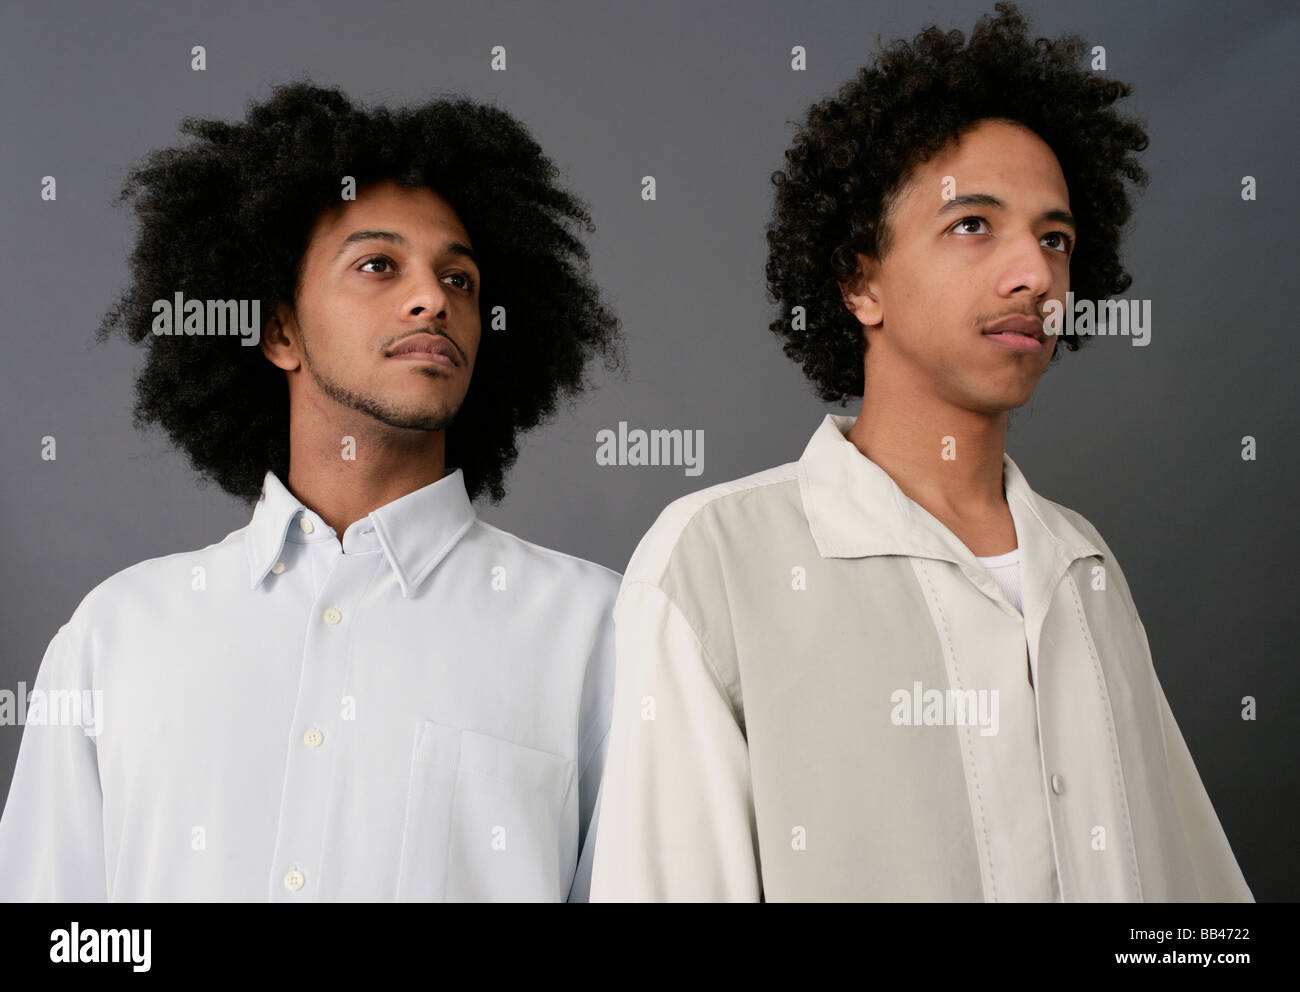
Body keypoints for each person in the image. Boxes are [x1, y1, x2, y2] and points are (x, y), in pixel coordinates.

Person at [590, 3, 1252, 901]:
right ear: (861, 280)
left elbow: (1190, 907)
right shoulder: (714, 561)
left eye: (1055, 238)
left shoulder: (1087, 567)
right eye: (973, 224)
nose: (1035, 274)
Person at [0, 82, 623, 902]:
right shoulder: (113, 638)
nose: (434, 297)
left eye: (461, 280)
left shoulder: (599, 635)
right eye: (377, 265)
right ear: (281, 331)